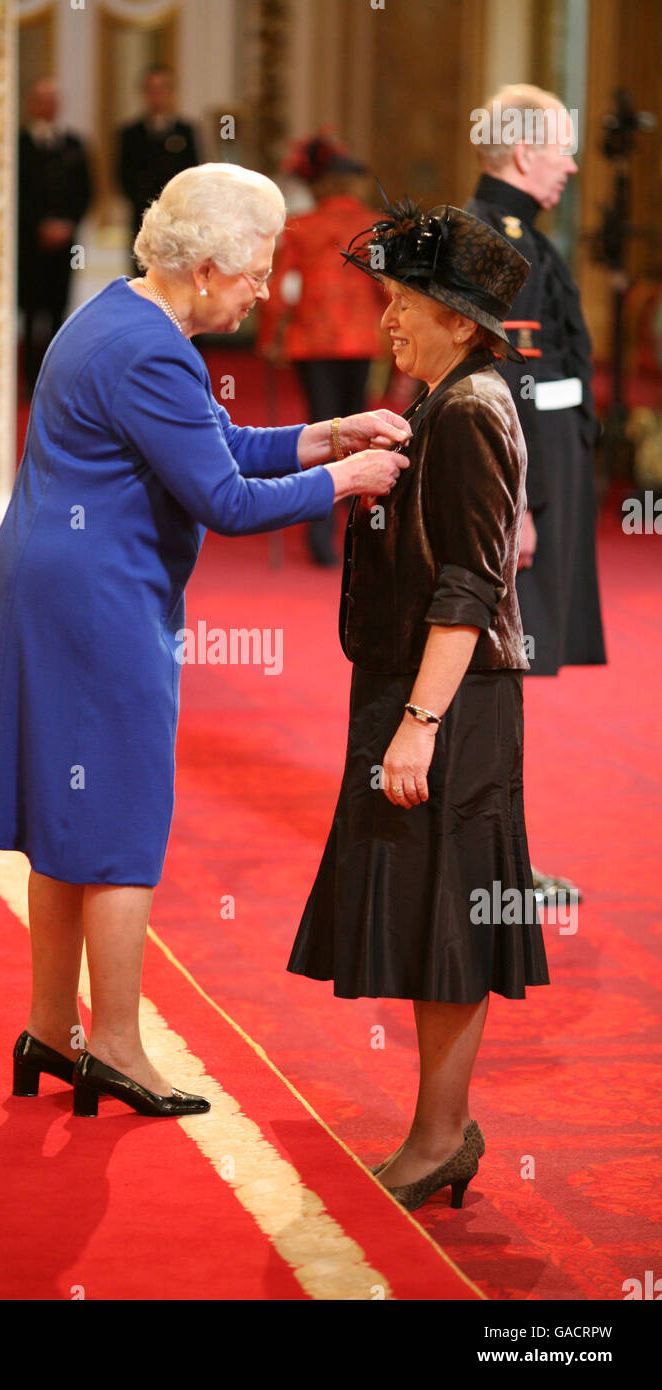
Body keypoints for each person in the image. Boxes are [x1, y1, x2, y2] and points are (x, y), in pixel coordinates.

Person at [0, 164, 411, 1121]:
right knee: (120, 821)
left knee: (61, 818)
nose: (262, 289)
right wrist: (353, 478)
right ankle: (117, 1048)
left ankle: (49, 1026)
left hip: (51, 584)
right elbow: (224, 499)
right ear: (205, 268)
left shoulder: (119, 317)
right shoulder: (153, 351)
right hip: (97, 604)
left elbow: (217, 444)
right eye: (253, 272)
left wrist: (329, 434)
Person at [287, 199, 550, 1212]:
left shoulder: (475, 408)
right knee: (425, 912)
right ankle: (439, 1128)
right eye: (388, 298)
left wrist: (418, 725)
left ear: (459, 319)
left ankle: (441, 1134)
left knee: (447, 917)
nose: (387, 319)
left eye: (403, 302)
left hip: (455, 700)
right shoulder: (444, 402)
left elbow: (470, 586)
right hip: (419, 686)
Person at [466, 84, 607, 903]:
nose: (574, 164)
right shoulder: (500, 237)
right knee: (494, 675)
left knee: (504, 675)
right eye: (562, 147)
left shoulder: (516, 233)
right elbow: (502, 384)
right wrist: (513, 502)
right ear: (525, 153)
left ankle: (501, 857)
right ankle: (494, 864)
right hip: (527, 493)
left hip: (543, 484)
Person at [257, 131, 391, 566]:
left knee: (325, 428)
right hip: (360, 338)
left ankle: (320, 531)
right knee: (362, 429)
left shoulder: (302, 227)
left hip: (311, 339)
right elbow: (386, 287)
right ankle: (358, 523)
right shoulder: (374, 225)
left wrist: (271, 334)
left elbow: (280, 287)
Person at [18, 78, 94, 397]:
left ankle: (55, 376)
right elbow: (16, 192)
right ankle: (29, 380)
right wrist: (40, 225)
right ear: (30, 104)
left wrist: (67, 224)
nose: (48, 106)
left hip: (66, 243)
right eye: (41, 99)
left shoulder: (74, 144)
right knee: (32, 310)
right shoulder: (19, 144)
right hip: (30, 244)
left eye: (53, 99)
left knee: (60, 309)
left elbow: (85, 191)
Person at [116, 65, 200, 272]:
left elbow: (194, 173)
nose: (158, 96)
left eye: (163, 89)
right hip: (142, 217)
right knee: (144, 273)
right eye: (152, 90)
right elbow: (122, 176)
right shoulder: (130, 134)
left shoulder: (185, 132)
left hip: (178, 219)